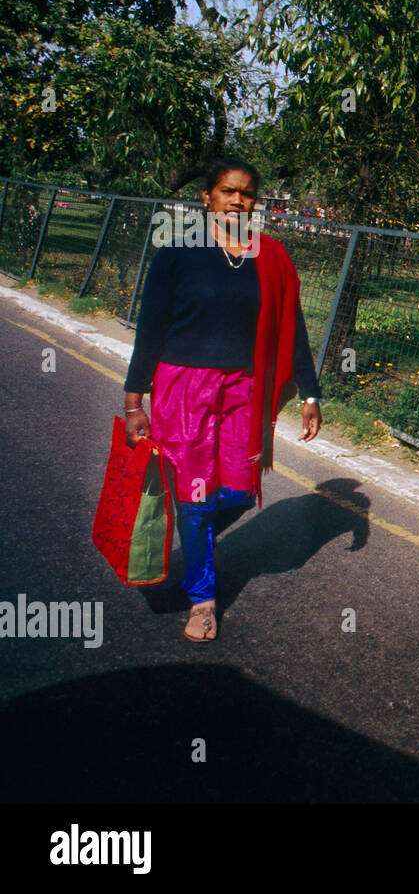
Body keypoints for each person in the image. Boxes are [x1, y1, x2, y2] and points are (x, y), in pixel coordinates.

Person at [123, 158, 322, 642]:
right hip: (182, 387)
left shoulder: (271, 256)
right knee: (194, 494)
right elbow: (149, 331)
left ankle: (196, 542)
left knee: (236, 489)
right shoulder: (177, 254)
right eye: (229, 191)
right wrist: (134, 402)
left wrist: (310, 392)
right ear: (208, 196)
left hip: (245, 390)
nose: (238, 200)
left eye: (248, 193)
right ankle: (202, 600)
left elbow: (292, 328)